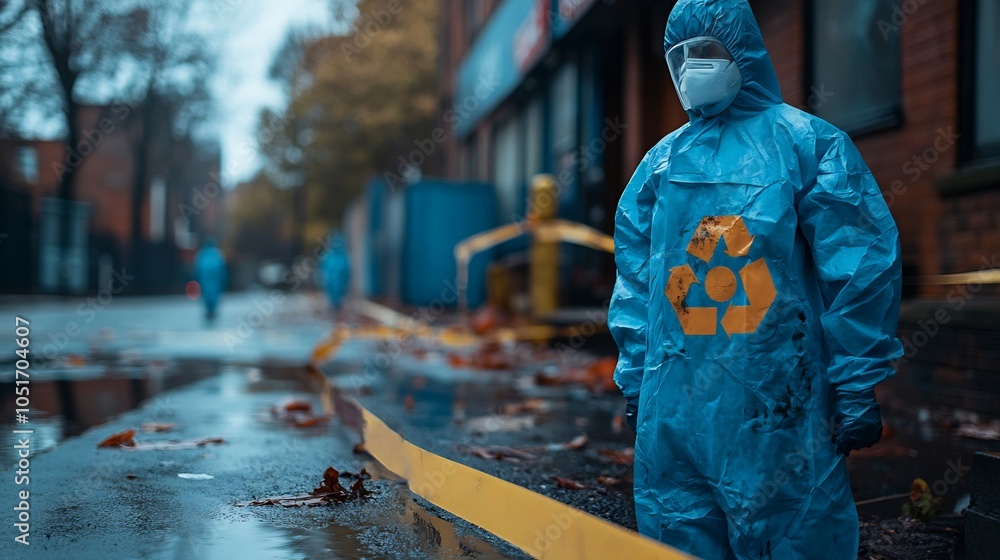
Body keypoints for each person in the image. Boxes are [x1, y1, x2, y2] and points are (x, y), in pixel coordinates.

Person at [607, 1, 903, 558]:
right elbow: (636, 282)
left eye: (706, 51)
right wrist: (635, 376)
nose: (692, 67)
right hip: (675, 405)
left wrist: (856, 381)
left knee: (790, 531)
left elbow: (858, 267)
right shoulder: (659, 165)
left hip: (778, 397)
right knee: (678, 530)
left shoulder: (807, 145)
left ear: (742, 50)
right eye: (679, 56)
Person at [194, 237, 227, 323]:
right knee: (214, 294)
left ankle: (209, 311)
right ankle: (212, 310)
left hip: (205, 277)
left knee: (206, 294)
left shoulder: (201, 254)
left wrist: (196, 279)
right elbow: (223, 268)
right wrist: (224, 280)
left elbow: (197, 268)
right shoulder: (218, 253)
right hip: (215, 278)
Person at [320, 234, 350, 312]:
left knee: (338, 294)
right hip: (331, 280)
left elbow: (346, 270)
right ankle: (334, 306)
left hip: (339, 280)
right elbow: (324, 268)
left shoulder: (342, 255)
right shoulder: (329, 255)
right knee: (333, 294)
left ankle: (337, 307)